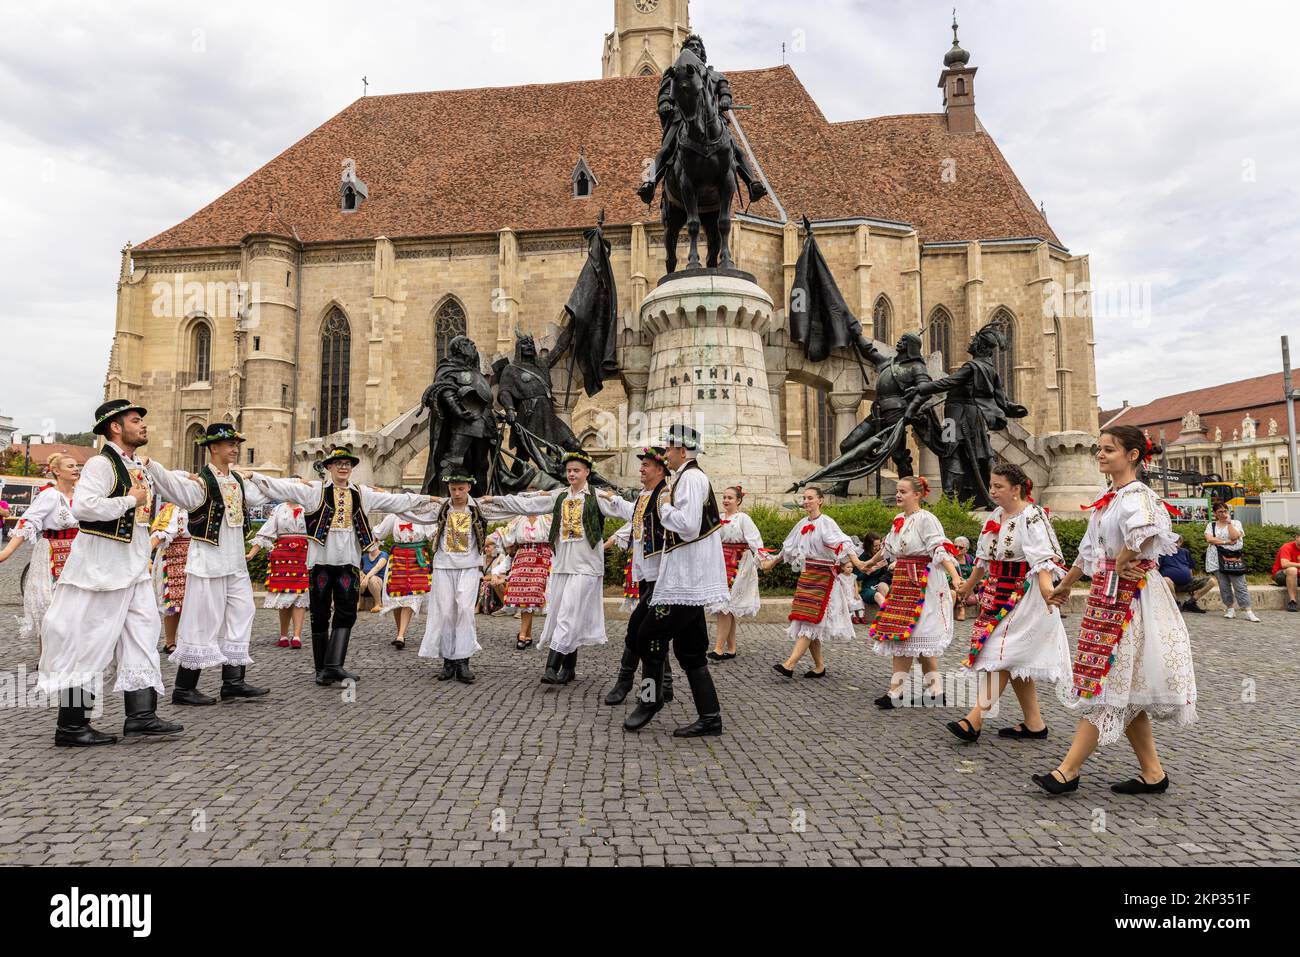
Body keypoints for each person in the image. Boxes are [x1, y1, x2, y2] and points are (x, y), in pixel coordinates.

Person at [1033, 425, 1197, 795]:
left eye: (1109, 449)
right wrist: (1065, 584)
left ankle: (1067, 772)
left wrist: (1125, 557)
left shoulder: (1137, 495)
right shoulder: (1110, 497)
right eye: (1100, 449)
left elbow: (1147, 531)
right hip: (1106, 597)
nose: (1101, 455)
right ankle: (1153, 774)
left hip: (1131, 598)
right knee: (1126, 687)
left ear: (1133, 456)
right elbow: (1089, 552)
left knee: (1109, 683)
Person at [36, 399, 184, 746]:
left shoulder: (136, 465)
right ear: (115, 427)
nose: (143, 425)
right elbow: (84, 508)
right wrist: (130, 500)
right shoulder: (102, 464)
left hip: (132, 569)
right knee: (86, 642)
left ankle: (142, 715)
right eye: (136, 420)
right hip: (100, 570)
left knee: (143, 636)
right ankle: (71, 725)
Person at [247, 448, 434, 685]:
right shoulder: (314, 491)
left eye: (347, 463)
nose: (343, 467)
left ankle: (334, 666)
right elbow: (280, 487)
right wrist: (252, 475)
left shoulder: (362, 493)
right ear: (329, 467)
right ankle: (321, 670)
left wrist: (429, 499)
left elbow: (396, 501)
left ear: (352, 468)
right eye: (338, 463)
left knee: (347, 613)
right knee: (320, 614)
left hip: (348, 564)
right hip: (320, 564)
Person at [146, 422, 274, 705]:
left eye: (237, 444)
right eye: (230, 444)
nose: (235, 448)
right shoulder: (200, 484)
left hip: (236, 562)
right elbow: (171, 484)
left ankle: (233, 681)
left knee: (243, 612)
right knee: (202, 620)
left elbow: (266, 492)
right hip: (208, 562)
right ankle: (184, 687)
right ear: (213, 448)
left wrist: (294, 485)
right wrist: (152, 464)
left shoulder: (238, 482)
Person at [947, 464, 1071, 743]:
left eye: (999, 486)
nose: (992, 491)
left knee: (1000, 656)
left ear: (1016, 488)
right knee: (1014, 659)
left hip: (1023, 595)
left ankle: (974, 719)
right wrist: (967, 585)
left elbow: (1043, 559)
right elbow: (983, 559)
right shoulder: (996, 515)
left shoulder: (1032, 516)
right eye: (991, 486)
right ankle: (1034, 723)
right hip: (997, 591)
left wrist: (1046, 590)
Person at [619, 425, 728, 737]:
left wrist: (664, 505)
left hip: (686, 582)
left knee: (647, 634)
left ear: (683, 450)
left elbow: (689, 526)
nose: (665, 454)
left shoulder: (692, 479)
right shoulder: (686, 478)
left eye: (669, 448)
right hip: (685, 580)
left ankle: (650, 699)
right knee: (691, 650)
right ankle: (710, 718)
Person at [482, 451, 624, 686]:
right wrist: (497, 500)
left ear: (587, 472)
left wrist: (655, 503)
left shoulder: (597, 497)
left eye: (576, 470)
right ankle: (568, 668)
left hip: (586, 567)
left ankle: (551, 666)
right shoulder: (559, 497)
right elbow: (527, 503)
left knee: (568, 612)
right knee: (564, 614)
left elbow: (627, 509)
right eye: (569, 470)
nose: (571, 474)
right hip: (562, 566)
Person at [858, 476, 963, 709]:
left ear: (917, 494)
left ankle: (895, 692)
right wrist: (869, 564)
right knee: (916, 637)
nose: (898, 495)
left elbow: (940, 549)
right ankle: (936, 689)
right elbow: (887, 549)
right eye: (897, 491)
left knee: (907, 635)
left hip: (923, 583)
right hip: (904, 581)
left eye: (903, 491)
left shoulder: (927, 519)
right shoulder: (899, 519)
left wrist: (955, 576)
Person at [409, 473, 516, 683]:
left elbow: (513, 507)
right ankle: (448, 660)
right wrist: (427, 498)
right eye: (453, 489)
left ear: (469, 487)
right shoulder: (441, 508)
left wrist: (494, 499)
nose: (457, 493)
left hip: (468, 567)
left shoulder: (478, 508)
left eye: (461, 488)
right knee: (446, 612)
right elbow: (410, 511)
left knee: (465, 610)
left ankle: (463, 660)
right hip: (444, 567)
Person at [760, 487, 867, 678]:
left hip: (824, 578)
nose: (806, 501)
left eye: (810, 498)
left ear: (820, 500)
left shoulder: (827, 523)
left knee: (811, 623)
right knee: (807, 621)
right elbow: (788, 548)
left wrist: (857, 562)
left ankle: (789, 665)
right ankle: (819, 667)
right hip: (807, 576)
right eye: (804, 498)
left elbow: (843, 543)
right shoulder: (801, 524)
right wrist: (771, 563)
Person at [601, 446, 674, 707]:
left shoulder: (665, 496)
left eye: (646, 465)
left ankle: (627, 682)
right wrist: (613, 499)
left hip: (661, 577)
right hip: (646, 574)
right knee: (654, 632)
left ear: (660, 469)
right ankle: (664, 684)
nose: (641, 469)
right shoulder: (647, 495)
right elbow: (633, 514)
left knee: (638, 630)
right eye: (641, 464)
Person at [0, 452, 81, 651]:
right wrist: (7, 551)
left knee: (76, 604)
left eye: (76, 465)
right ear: (56, 472)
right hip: (52, 551)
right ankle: (47, 655)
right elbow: (29, 521)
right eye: (70, 466)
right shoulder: (49, 495)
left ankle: (70, 654)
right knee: (49, 604)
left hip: (78, 553)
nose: (76, 469)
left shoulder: (83, 495)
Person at [246, 500, 310, 649]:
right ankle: (283, 634)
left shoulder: (309, 507)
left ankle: (296, 636)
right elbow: (266, 531)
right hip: (282, 554)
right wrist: (252, 553)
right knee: (284, 595)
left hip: (303, 554)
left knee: (300, 594)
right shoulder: (279, 509)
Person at [710, 485, 764, 661]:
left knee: (725, 606)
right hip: (721, 562)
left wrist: (763, 559)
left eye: (730, 498)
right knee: (727, 606)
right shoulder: (718, 518)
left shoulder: (743, 518)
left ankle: (718, 648)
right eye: (724, 497)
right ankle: (731, 648)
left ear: (738, 500)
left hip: (739, 562)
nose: (726, 500)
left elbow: (755, 540)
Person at [369, 512, 434, 649]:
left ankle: (400, 635)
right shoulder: (393, 516)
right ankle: (401, 633)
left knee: (411, 598)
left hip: (417, 559)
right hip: (398, 559)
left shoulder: (422, 516)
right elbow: (378, 533)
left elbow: (434, 533)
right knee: (396, 599)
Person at [499, 503, 553, 650]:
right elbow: (504, 535)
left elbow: (558, 535)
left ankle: (522, 635)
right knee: (523, 595)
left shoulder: (547, 518)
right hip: (522, 557)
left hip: (542, 557)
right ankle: (527, 635)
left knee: (532, 595)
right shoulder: (519, 519)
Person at [1204, 501, 1259, 622]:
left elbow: (1235, 536)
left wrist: (1229, 524)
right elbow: (1209, 539)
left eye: (1225, 511)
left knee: (1240, 585)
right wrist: (1226, 542)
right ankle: (1230, 608)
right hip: (1217, 559)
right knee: (1224, 585)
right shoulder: (1211, 525)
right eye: (1220, 512)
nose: (1223, 514)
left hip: (1234, 558)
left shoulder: (1236, 523)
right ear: (1215, 514)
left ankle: (1248, 610)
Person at [149, 501, 190, 654]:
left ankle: (190, 640)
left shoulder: (201, 501)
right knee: (173, 602)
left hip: (196, 554)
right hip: (173, 555)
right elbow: (160, 533)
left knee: (193, 602)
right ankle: (170, 642)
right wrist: (146, 554)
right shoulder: (172, 508)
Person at [1157, 535, 1212, 614]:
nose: (1175, 544)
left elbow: (1190, 568)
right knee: (1166, 580)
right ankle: (1176, 603)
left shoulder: (1185, 552)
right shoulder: (1163, 552)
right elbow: (1157, 568)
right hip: (1171, 584)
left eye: (1177, 542)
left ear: (1181, 543)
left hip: (1187, 582)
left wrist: (1189, 577)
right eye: (1172, 542)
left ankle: (1190, 603)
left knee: (1211, 581)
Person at [854, 531, 891, 617]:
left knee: (885, 589)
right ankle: (888, 617)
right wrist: (869, 571)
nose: (878, 548)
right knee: (878, 595)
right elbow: (857, 577)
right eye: (875, 546)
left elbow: (887, 576)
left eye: (879, 545)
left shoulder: (882, 555)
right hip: (867, 588)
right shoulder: (862, 558)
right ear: (868, 546)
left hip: (881, 585)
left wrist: (886, 567)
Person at [1270, 531, 1299, 612]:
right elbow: (1284, 564)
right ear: (1297, 537)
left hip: (1298, 576)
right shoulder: (1287, 547)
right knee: (1292, 570)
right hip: (1281, 575)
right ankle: (1292, 602)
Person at [951, 535, 975, 621]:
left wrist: (968, 581)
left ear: (966, 549)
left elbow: (974, 573)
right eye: (955, 546)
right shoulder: (950, 558)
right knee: (960, 584)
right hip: (953, 583)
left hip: (968, 584)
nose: (957, 549)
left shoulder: (970, 558)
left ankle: (961, 606)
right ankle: (961, 608)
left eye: (960, 547)